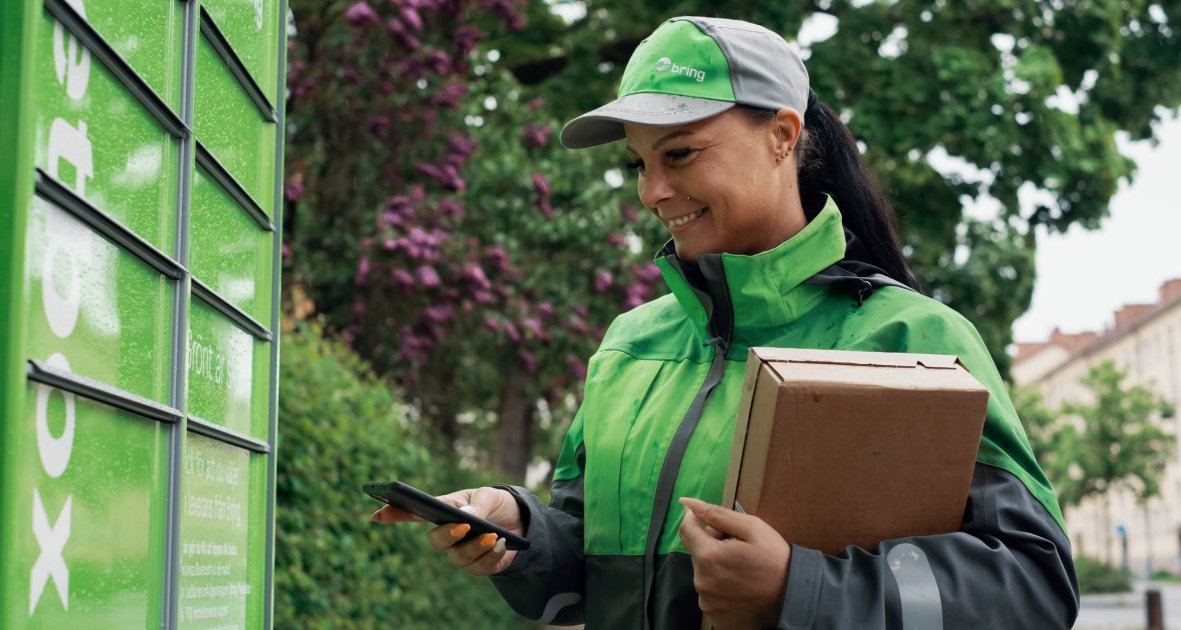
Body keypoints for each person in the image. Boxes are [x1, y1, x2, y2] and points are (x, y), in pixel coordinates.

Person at [372, 16, 1080, 629]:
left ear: (782, 134)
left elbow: (1032, 587)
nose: (653, 192)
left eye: (679, 153)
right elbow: (589, 577)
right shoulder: (629, 347)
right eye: (639, 164)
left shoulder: (912, 342)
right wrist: (519, 532)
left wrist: (800, 589)